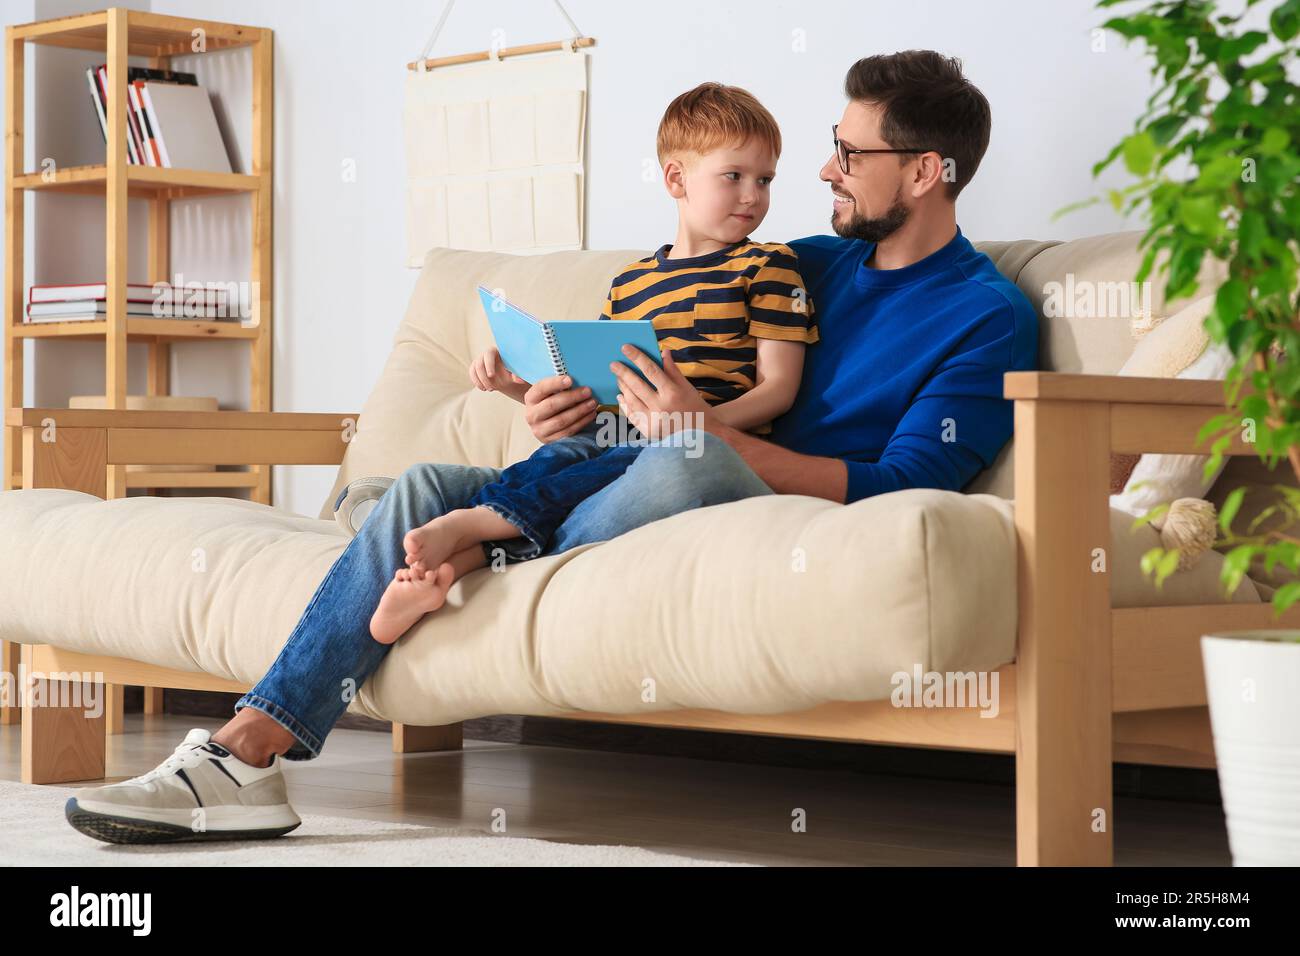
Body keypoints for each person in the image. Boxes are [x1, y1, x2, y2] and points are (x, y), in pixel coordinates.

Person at [62, 49, 1038, 845]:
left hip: (731, 484)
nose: (823, 171)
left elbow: (906, 482)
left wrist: (696, 431)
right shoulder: (799, 261)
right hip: (625, 463)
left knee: (685, 457)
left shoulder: (984, 318)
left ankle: (449, 564)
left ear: (922, 172)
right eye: (828, 146)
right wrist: (559, 404)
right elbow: (662, 358)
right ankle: (247, 755)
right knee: (425, 484)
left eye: (848, 153)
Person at [368, 82, 819, 645]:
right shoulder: (631, 282)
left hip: (690, 443)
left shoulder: (769, 267)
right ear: (676, 179)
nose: (753, 194)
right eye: (734, 176)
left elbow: (779, 388)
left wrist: (701, 420)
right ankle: (451, 569)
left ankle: (474, 526)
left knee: (620, 459)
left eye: (766, 179)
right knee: (563, 455)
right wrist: (518, 387)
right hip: (613, 429)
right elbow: (599, 388)